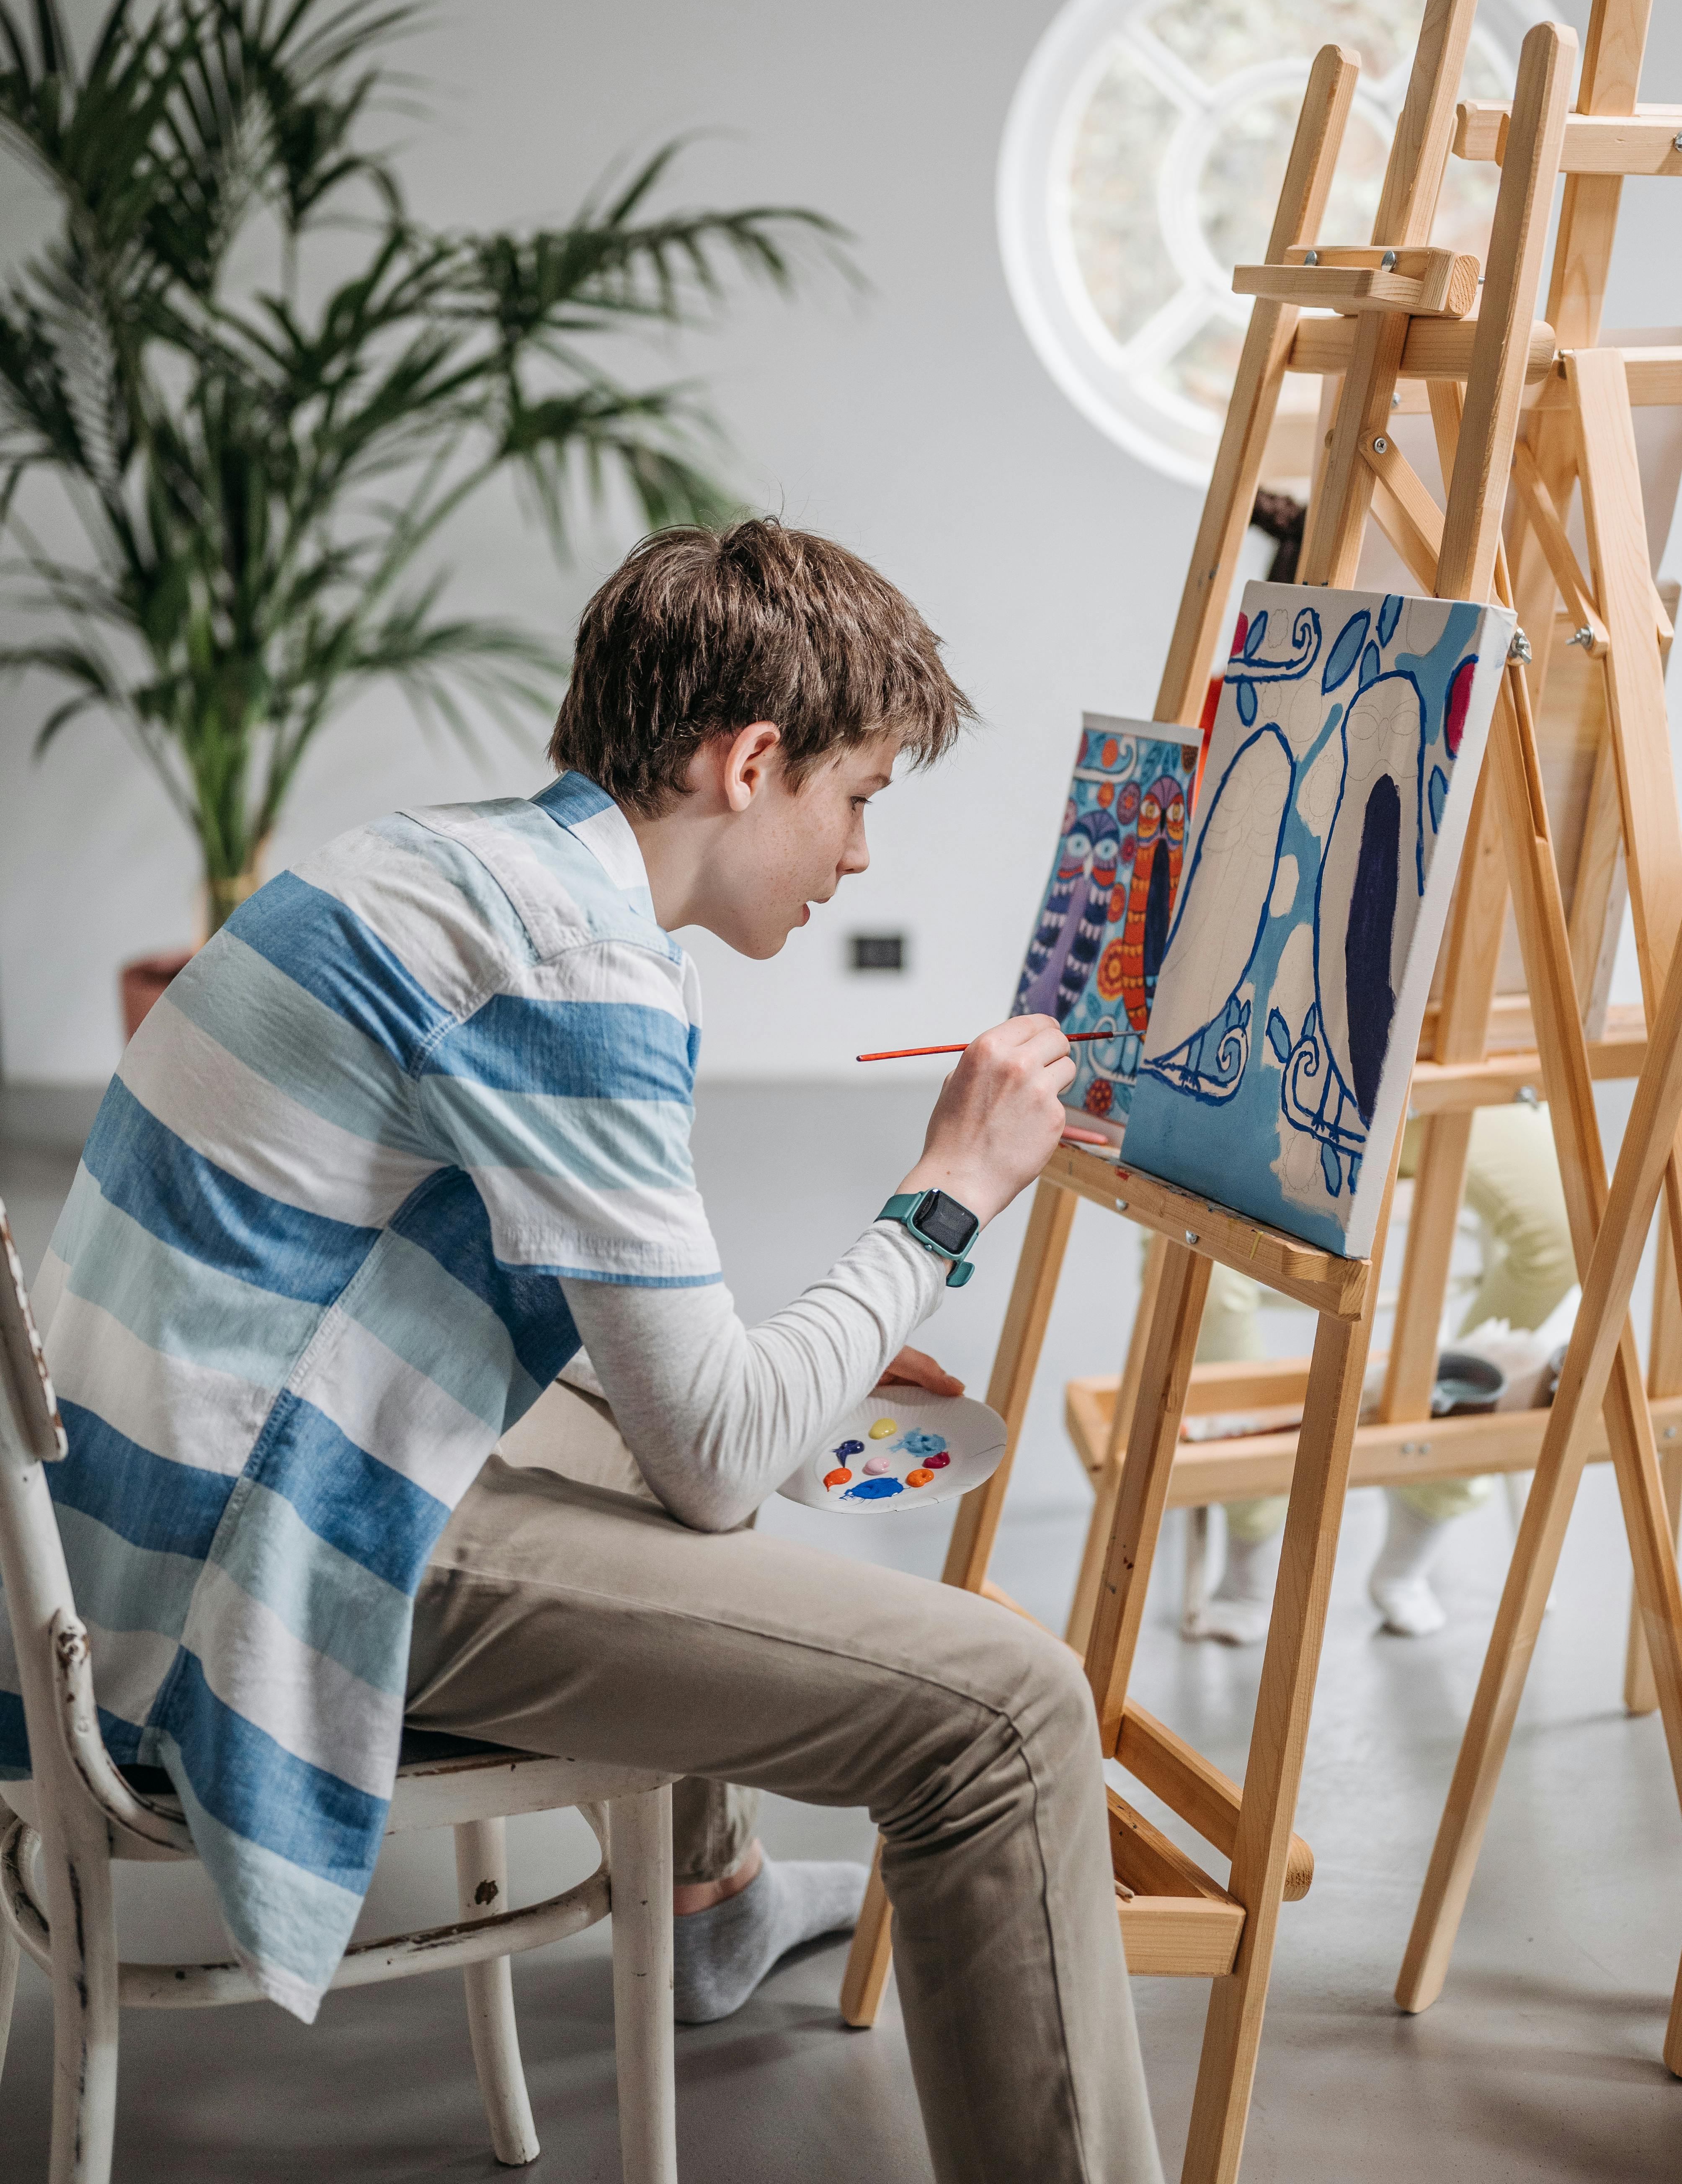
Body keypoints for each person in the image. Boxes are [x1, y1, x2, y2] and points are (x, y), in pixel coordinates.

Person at [4, 518, 1161, 2184]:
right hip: (242, 1576)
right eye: (857, 797)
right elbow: (717, 1455)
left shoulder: (439, 860)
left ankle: (709, 1900)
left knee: (693, 1403)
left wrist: (797, 1353)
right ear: (752, 759)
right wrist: (944, 1196)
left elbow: (605, 1304)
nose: (855, 854)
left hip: (144, 1510)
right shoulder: (576, 972)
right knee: (1003, 1713)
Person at [1180, 1102, 1575, 1643]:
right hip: (1270, 1088)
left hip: (1438, 1085)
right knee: (1200, 1261)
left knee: (1570, 1226)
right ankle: (1256, 1519)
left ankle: (1426, 1503)